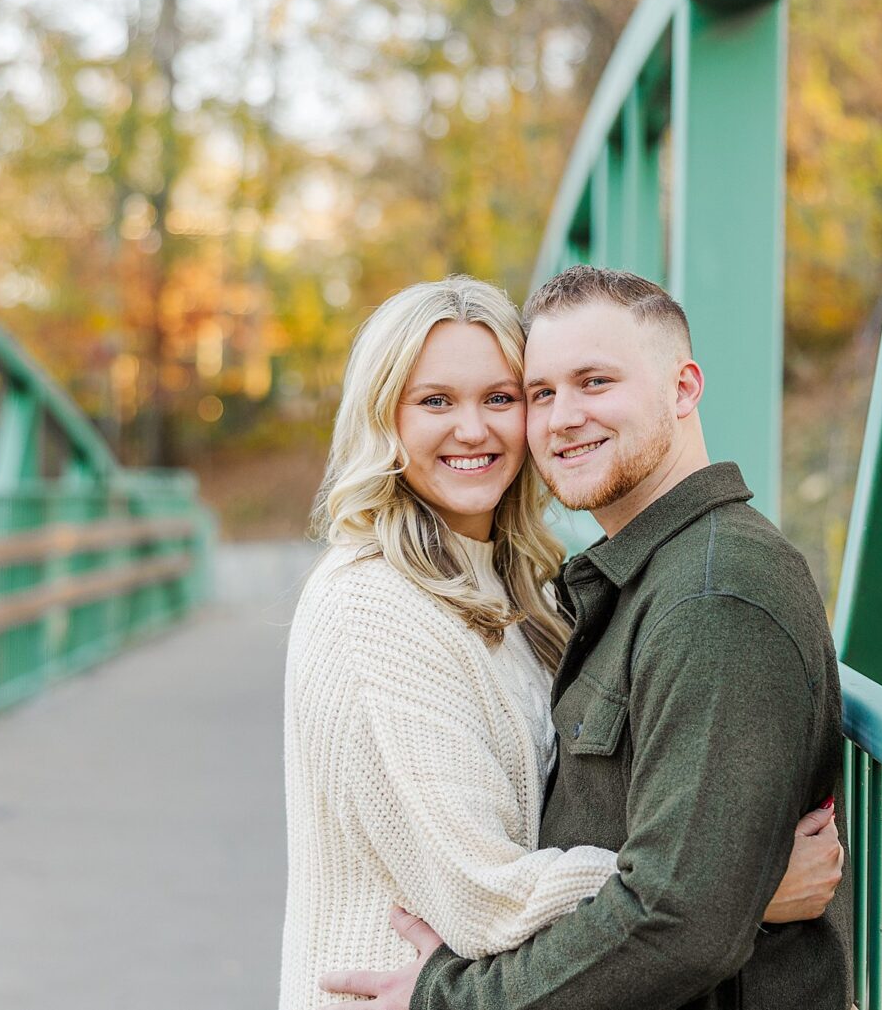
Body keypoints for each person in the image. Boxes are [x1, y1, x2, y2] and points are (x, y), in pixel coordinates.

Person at [282, 275, 844, 1010]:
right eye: (435, 400)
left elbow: (680, 903)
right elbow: (484, 897)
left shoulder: (538, 594)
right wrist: (739, 885)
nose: (477, 428)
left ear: (683, 388)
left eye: (502, 397)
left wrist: (706, 889)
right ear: (383, 419)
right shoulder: (374, 604)